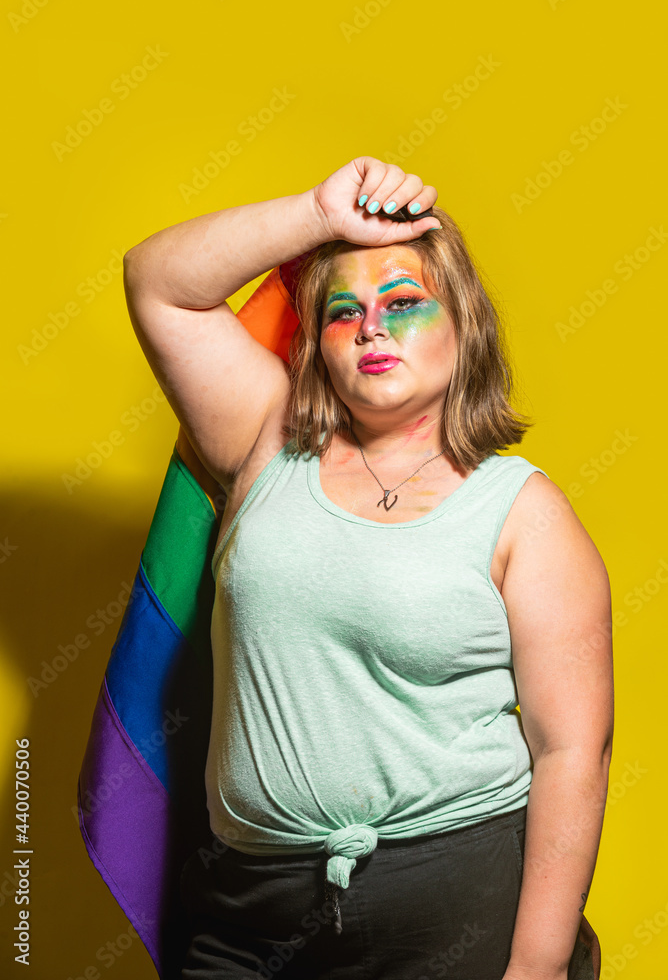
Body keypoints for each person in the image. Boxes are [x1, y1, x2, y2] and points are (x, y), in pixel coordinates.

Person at [123, 156, 612, 980]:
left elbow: (573, 750)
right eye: (345, 312)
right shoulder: (264, 442)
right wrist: (318, 214)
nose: (373, 327)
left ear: (466, 325)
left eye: (405, 303)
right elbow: (159, 282)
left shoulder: (523, 513)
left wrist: (537, 966)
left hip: (457, 908)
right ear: (320, 343)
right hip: (249, 905)